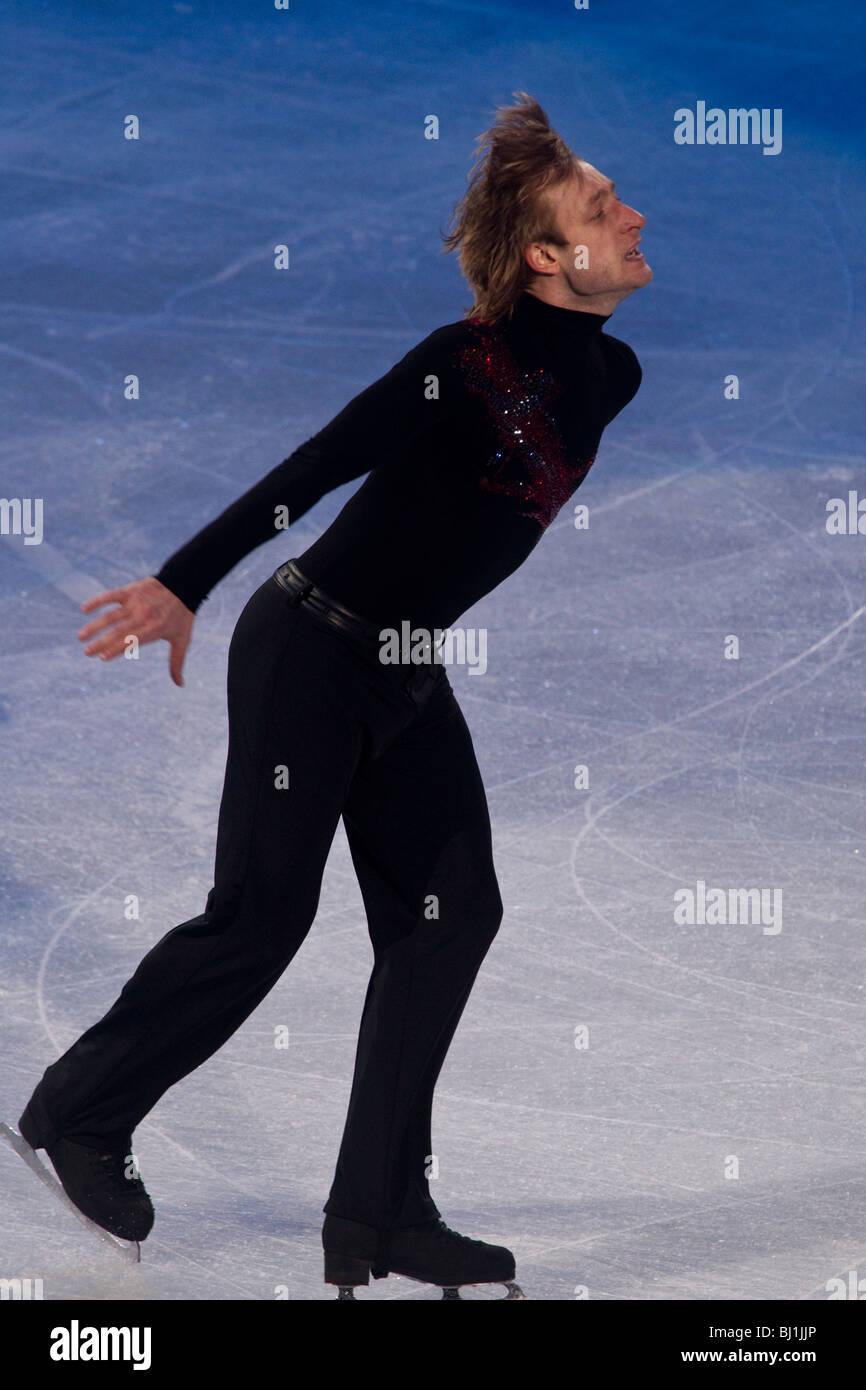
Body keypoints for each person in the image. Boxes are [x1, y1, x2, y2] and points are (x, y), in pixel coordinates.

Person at [16, 91, 651, 1299]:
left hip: (406, 666)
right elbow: (318, 466)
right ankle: (78, 1113)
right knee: (262, 914)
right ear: (544, 256)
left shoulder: (608, 373)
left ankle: (380, 1213)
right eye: (601, 207)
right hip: (311, 649)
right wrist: (184, 580)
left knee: (447, 915)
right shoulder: (459, 362)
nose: (631, 216)